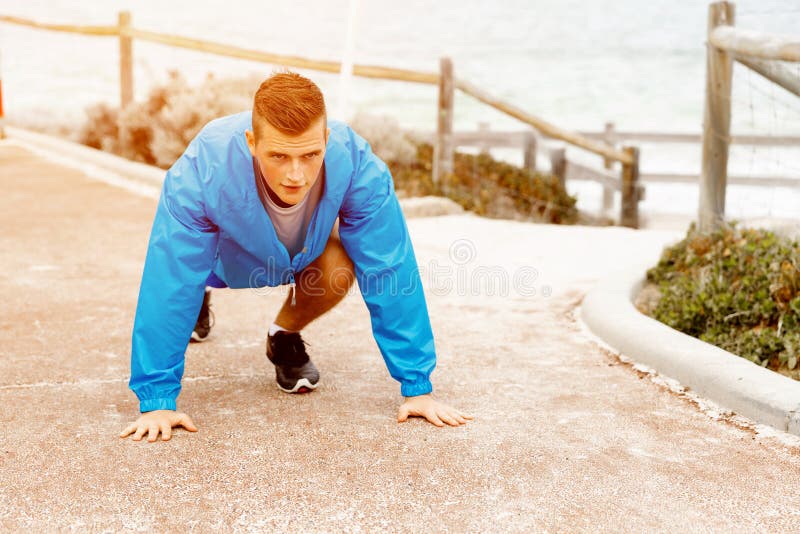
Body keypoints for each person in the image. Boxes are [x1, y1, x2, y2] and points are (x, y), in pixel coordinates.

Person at [120, 72, 472, 442]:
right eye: (278, 156)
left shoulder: (356, 163)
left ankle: (284, 336)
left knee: (342, 262)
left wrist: (418, 387)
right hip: (220, 261)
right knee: (186, 287)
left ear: (326, 140)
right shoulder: (202, 170)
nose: (295, 175)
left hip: (302, 256)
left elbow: (389, 267)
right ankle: (199, 301)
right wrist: (158, 400)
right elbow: (169, 279)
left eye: (310, 155)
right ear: (252, 143)